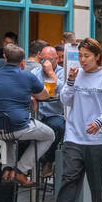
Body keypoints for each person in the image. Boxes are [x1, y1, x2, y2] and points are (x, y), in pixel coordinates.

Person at [48, 38, 102, 202]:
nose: (82, 60)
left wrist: (100, 122)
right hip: (74, 135)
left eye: (86, 56)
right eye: (80, 55)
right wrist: (70, 81)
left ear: (97, 56)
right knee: (69, 177)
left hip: (97, 139)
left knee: (97, 182)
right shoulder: (75, 76)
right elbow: (65, 100)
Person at [0, 44, 54, 187]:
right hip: (15, 127)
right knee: (49, 135)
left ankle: (7, 170)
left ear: (5, 57)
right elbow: (44, 95)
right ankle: (21, 170)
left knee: (8, 134)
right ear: (23, 62)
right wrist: (29, 93)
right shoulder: (27, 76)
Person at [29, 43, 65, 173]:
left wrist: (50, 73)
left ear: (57, 59)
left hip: (54, 114)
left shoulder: (62, 72)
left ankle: (48, 160)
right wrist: (31, 97)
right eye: (44, 59)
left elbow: (64, 91)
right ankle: (25, 167)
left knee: (58, 126)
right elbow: (28, 89)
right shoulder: (35, 72)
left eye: (50, 60)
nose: (46, 63)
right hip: (37, 114)